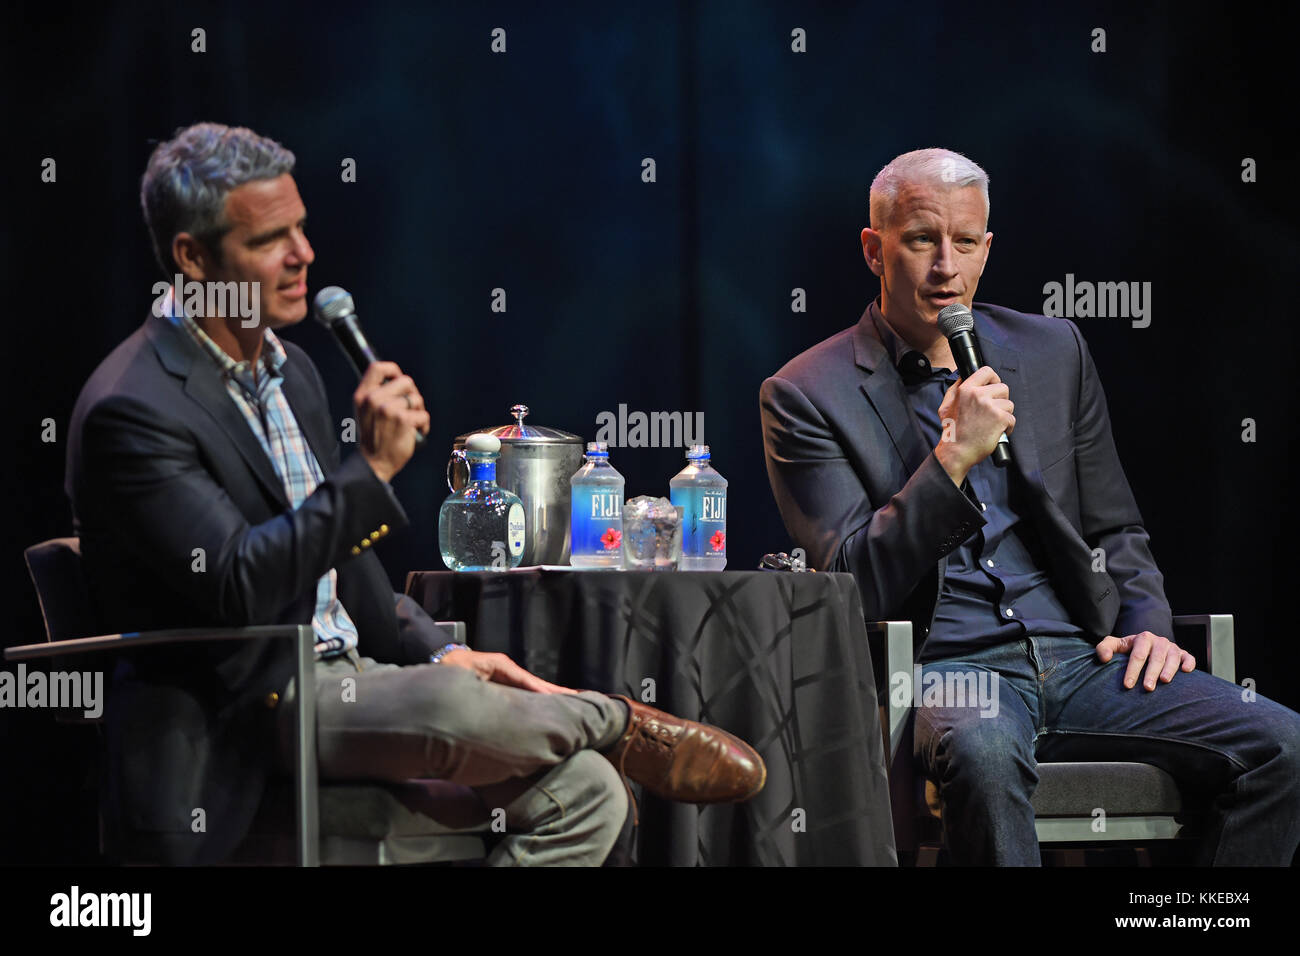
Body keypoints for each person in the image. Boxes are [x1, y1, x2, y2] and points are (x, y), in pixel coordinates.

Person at [66, 122, 764, 866]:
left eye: (302, 227)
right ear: (193, 257)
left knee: (588, 792)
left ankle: (590, 735)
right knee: (453, 709)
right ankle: (616, 720)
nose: (304, 254)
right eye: (271, 239)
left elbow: (334, 566)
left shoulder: (288, 369)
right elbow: (239, 584)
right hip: (244, 705)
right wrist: (368, 473)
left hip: (351, 682)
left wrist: (435, 652)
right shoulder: (134, 409)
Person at [759, 147, 1300, 865]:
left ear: (988, 248)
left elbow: (1115, 525)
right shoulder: (806, 393)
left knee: (1281, 745)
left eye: (965, 242)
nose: (946, 266)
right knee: (984, 753)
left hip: (1082, 660)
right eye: (921, 239)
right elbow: (853, 582)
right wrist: (952, 458)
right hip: (950, 669)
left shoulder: (1052, 351)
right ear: (873, 249)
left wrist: (1147, 625)